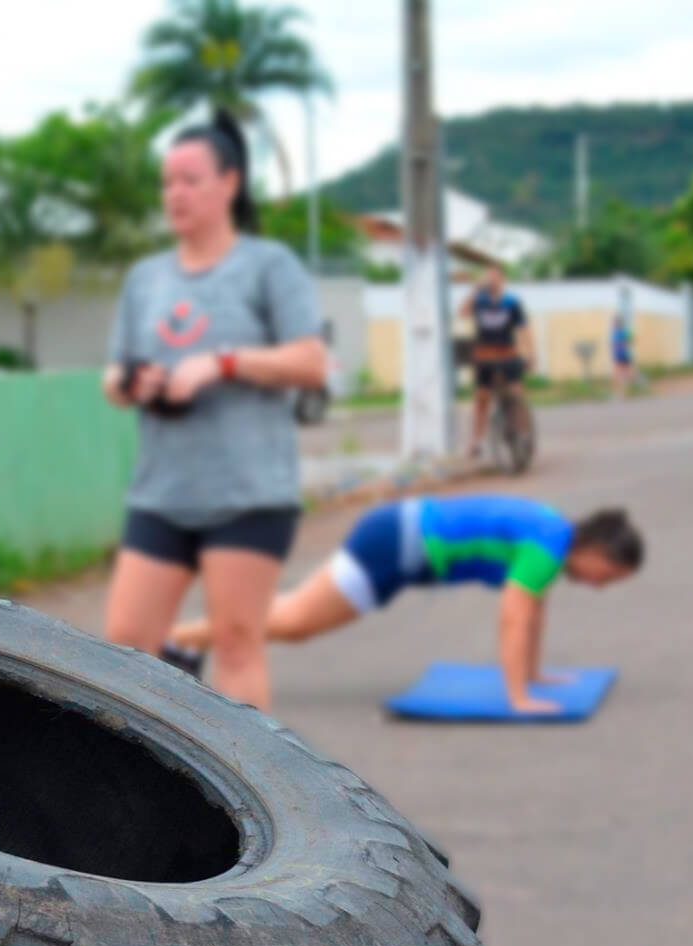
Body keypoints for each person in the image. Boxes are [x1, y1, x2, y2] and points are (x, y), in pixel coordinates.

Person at [101, 107, 329, 710]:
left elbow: (312, 362)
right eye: (168, 182)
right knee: (124, 646)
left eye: (191, 180)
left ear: (229, 184)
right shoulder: (146, 278)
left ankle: (252, 798)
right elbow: (112, 377)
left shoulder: (267, 266)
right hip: (162, 493)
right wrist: (136, 382)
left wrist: (221, 364)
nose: (175, 193)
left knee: (235, 643)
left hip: (248, 493)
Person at [168, 496, 644, 715]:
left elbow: (533, 610)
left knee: (293, 617)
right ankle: (177, 639)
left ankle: (184, 639)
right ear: (598, 553)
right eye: (610, 577)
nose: (601, 587)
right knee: (293, 622)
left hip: (401, 538)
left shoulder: (553, 537)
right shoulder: (547, 547)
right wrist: (519, 697)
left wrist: (536, 677)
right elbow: (516, 615)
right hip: (396, 542)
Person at [462, 265, 534, 457]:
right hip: (485, 356)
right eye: (488, 276)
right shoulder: (479, 300)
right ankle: (476, 442)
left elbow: (524, 329)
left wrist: (531, 353)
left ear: (502, 279)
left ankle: (524, 433)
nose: (490, 279)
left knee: (517, 392)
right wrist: (474, 290)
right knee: (481, 398)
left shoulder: (511, 302)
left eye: (494, 276)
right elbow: (463, 312)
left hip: (507, 354)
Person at [611, 313, 636, 399]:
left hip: (624, 355)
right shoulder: (614, 333)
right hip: (618, 356)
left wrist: (624, 343)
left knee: (624, 374)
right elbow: (613, 345)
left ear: (619, 323)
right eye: (614, 322)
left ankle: (624, 393)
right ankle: (621, 393)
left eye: (616, 322)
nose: (614, 324)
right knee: (617, 375)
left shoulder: (623, 331)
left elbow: (632, 340)